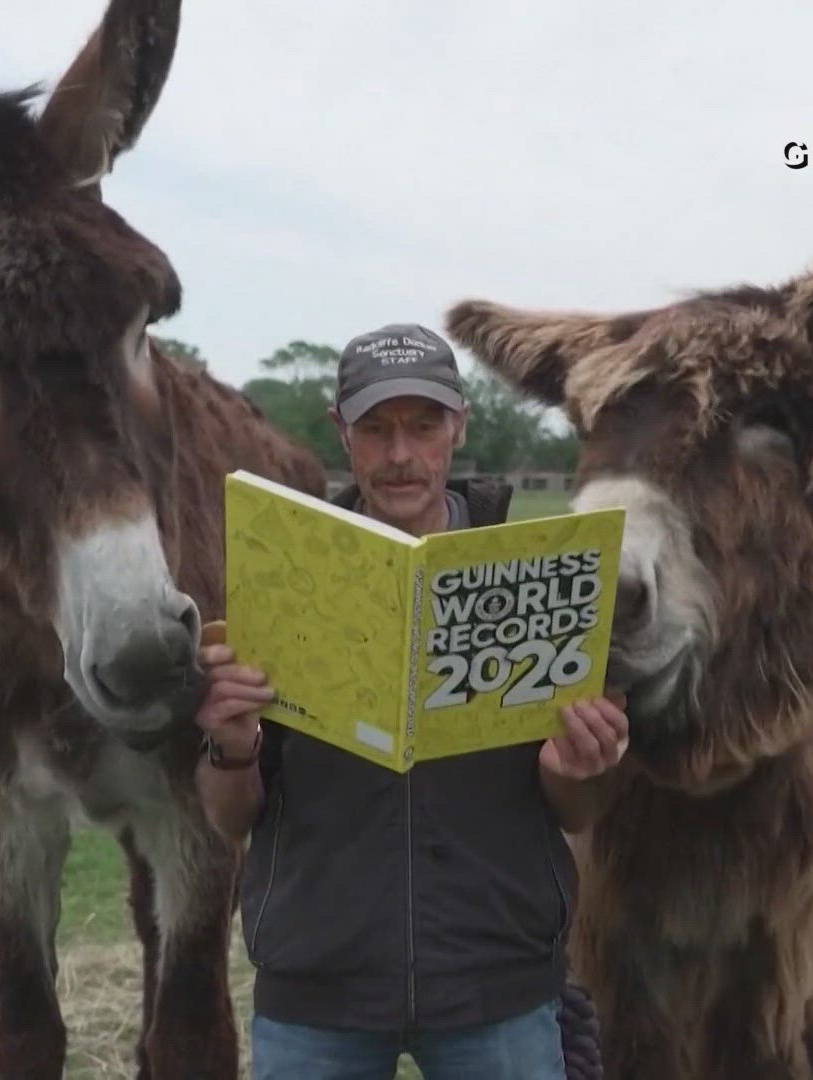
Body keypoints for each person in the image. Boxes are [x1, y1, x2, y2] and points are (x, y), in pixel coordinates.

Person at [194, 323, 629, 1079]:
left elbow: (577, 813)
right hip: (315, 992)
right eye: (376, 429)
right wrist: (230, 743)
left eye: (423, 427)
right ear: (342, 433)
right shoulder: (278, 580)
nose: (401, 455)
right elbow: (230, 817)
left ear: (458, 424)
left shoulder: (541, 583)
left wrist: (581, 764)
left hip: (499, 988)